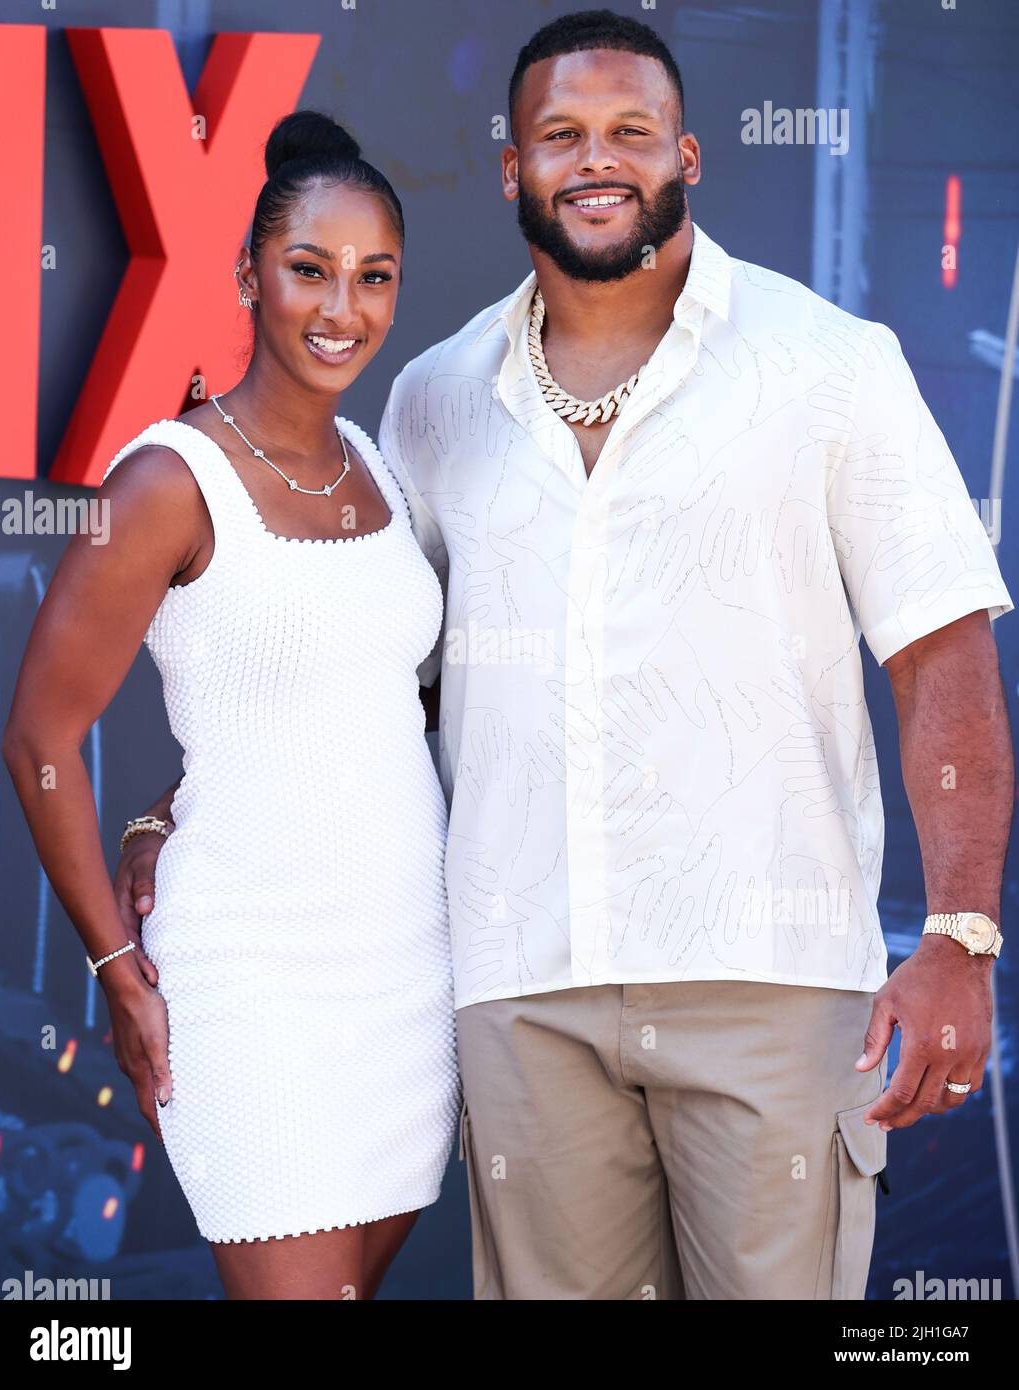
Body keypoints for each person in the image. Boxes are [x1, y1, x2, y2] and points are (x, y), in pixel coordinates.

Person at [120, 10, 1015, 1300]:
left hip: (764, 980)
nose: (596, 160)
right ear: (510, 170)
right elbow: (371, 669)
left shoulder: (831, 367)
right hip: (518, 989)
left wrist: (960, 936)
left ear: (687, 155)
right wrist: (172, 809)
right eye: (559, 135)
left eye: (628, 133)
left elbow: (942, 656)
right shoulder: (431, 395)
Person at [1, 110, 460, 1301]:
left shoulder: (377, 460)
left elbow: (351, 709)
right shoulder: (167, 480)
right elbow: (40, 736)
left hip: (410, 974)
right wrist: (116, 963)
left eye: (373, 278)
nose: (339, 308)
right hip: (254, 980)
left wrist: (163, 808)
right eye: (308, 270)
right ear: (247, 274)